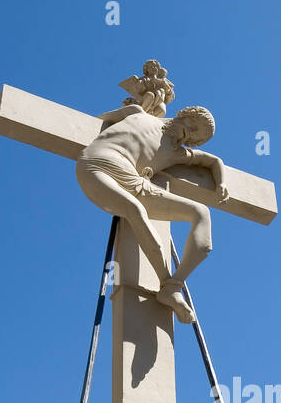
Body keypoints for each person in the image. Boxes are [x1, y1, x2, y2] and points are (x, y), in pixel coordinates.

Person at [75, 102, 229, 323]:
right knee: (135, 209)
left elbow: (213, 161)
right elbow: (99, 120)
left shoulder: (177, 153)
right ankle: (168, 283)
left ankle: (173, 285)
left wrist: (221, 183)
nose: (190, 138)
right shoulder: (137, 112)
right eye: (193, 128)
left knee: (201, 212)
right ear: (185, 114)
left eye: (195, 139)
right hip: (98, 165)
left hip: (135, 181)